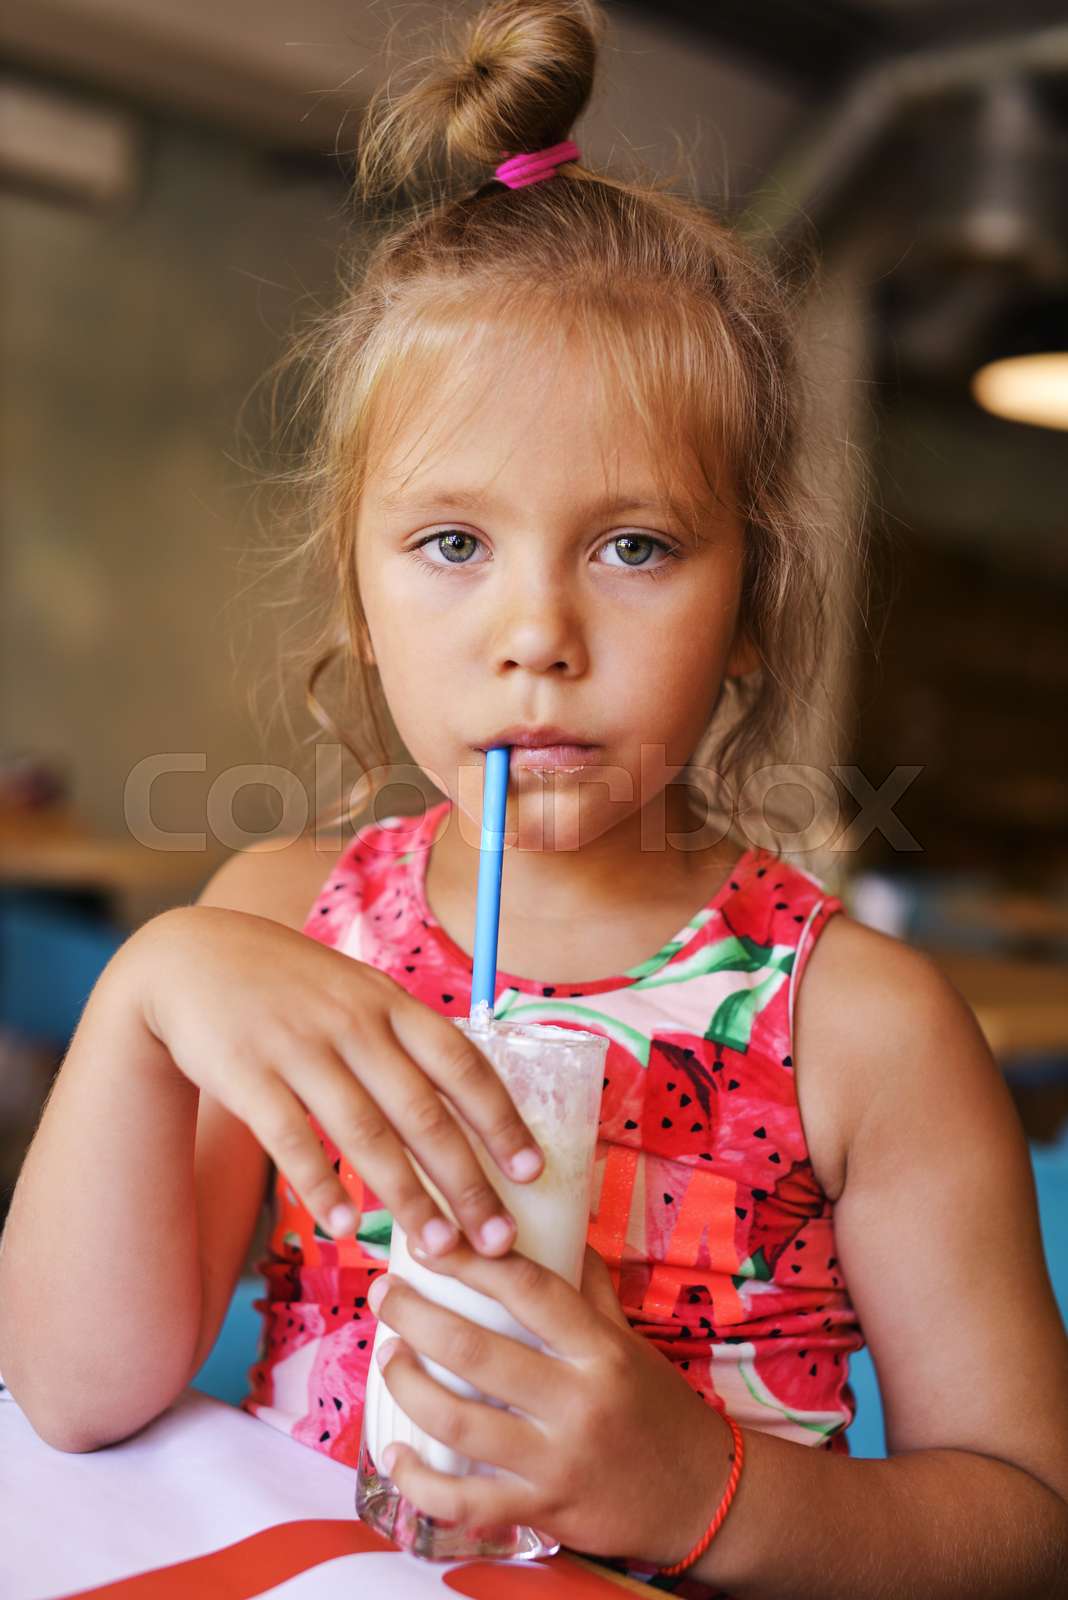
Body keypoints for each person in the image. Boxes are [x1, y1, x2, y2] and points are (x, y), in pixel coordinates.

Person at [1, 2, 1066, 1594]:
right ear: (360, 603)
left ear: (752, 605)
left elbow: (1025, 1528)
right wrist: (150, 994)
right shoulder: (282, 934)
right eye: (451, 546)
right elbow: (78, 1397)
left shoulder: (861, 1031)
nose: (536, 639)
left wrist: (699, 1489)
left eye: (634, 546)